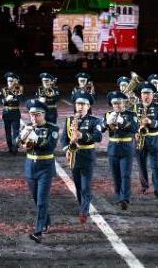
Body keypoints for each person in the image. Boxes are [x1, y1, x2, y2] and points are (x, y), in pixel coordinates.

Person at [17, 99, 59, 243]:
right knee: (36, 199)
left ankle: (38, 231)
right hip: (30, 166)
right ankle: (46, 221)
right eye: (32, 115)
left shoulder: (52, 128)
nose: (34, 117)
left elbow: (50, 146)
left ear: (44, 114)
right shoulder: (28, 127)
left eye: (37, 115)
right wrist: (23, 136)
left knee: (41, 200)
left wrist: (35, 140)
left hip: (45, 167)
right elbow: (17, 142)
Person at [61, 92, 103, 223]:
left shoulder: (95, 121)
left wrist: (82, 136)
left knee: (86, 186)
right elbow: (63, 139)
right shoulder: (69, 120)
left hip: (87, 156)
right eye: (78, 104)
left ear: (88, 105)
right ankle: (82, 206)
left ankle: (84, 211)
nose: (80, 106)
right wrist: (66, 149)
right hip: (74, 155)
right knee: (78, 185)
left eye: (83, 104)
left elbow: (98, 137)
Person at [103, 91, 138, 210]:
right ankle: (119, 196)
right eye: (114, 104)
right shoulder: (108, 114)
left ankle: (125, 198)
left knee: (125, 175)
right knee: (116, 175)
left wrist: (123, 122)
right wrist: (106, 123)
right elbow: (101, 129)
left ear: (124, 103)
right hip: (113, 147)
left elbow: (135, 128)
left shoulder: (131, 114)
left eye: (119, 103)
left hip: (126, 146)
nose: (117, 106)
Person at [134, 82, 158, 198]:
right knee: (141, 165)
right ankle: (144, 185)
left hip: (153, 139)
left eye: (148, 93)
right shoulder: (135, 107)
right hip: (139, 139)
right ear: (141, 95)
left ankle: (157, 188)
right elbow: (130, 124)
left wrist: (151, 122)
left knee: (156, 166)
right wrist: (135, 132)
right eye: (144, 93)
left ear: (153, 95)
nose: (146, 96)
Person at [0, 72, 24, 154]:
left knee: (16, 131)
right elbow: (0, 101)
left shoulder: (19, 89)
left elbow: (21, 99)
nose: (10, 82)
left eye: (11, 80)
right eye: (8, 81)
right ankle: (10, 147)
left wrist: (14, 90)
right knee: (8, 131)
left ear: (15, 81)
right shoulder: (3, 90)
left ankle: (15, 147)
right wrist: (6, 100)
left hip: (15, 112)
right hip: (6, 112)